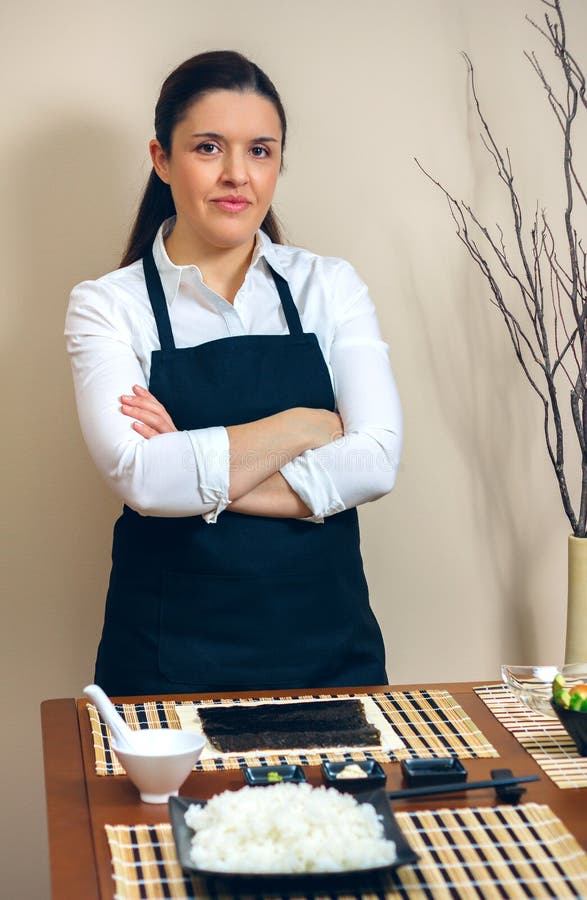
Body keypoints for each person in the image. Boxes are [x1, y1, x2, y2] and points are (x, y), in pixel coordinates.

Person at [65, 50, 403, 696]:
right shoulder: (108, 306)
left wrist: (190, 463)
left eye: (259, 151)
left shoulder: (330, 287)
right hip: (165, 659)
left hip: (330, 654)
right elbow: (141, 477)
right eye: (208, 148)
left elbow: (376, 461)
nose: (236, 175)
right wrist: (302, 426)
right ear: (162, 159)